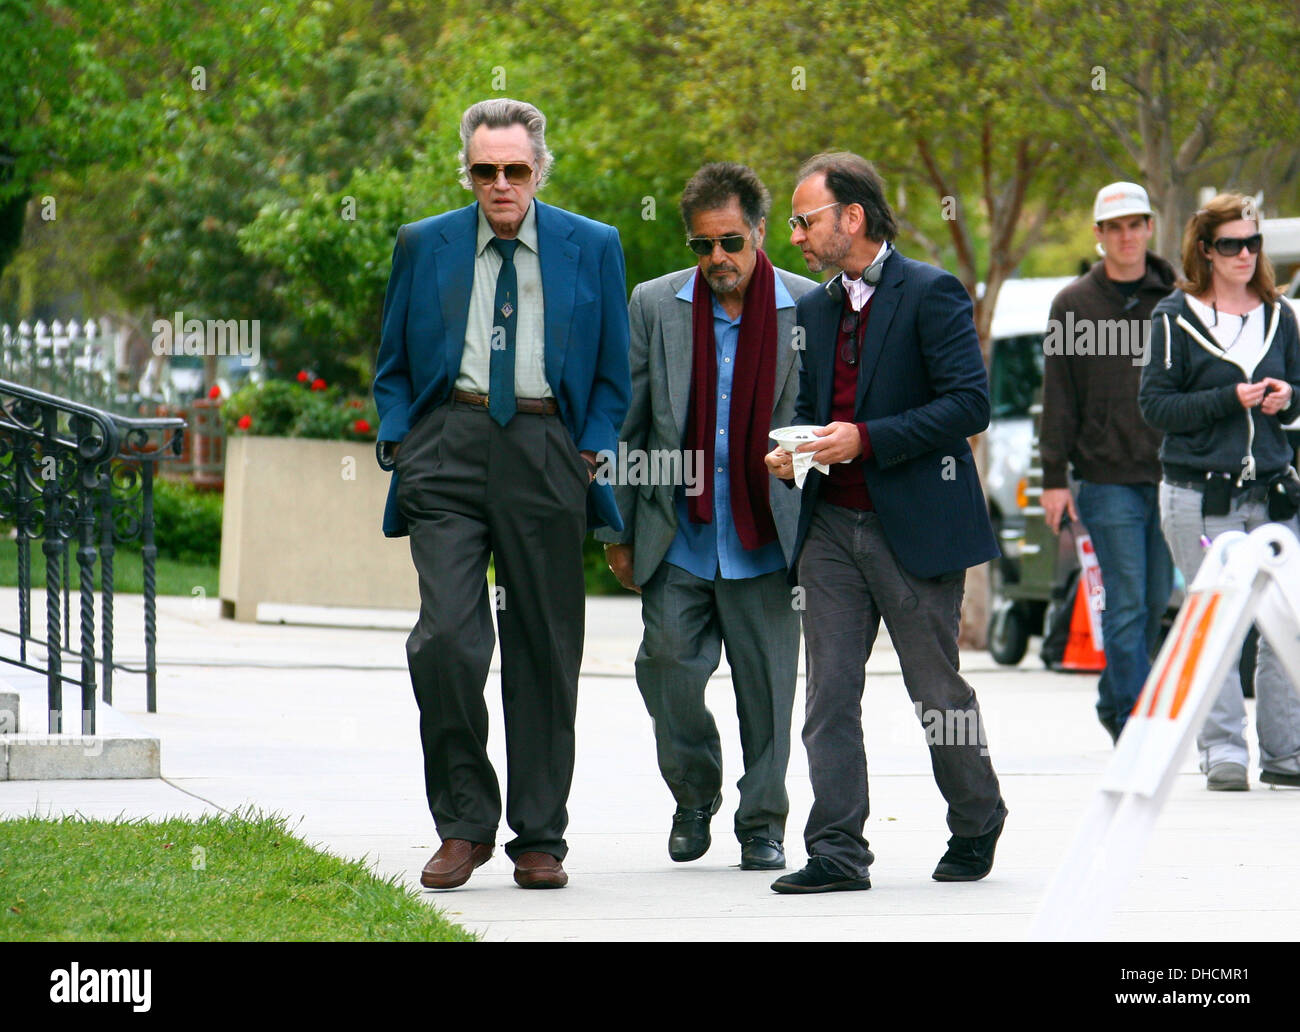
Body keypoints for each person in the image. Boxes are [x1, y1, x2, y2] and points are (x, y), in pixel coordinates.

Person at [372, 98, 630, 889]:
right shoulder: (425, 243)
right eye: (485, 171)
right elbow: (392, 365)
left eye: (515, 170)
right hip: (448, 446)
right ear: (469, 171)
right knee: (446, 640)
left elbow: (616, 373)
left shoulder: (594, 246)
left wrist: (588, 454)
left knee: (545, 649)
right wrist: (401, 444)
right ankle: (462, 825)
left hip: (548, 449)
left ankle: (539, 837)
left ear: (539, 169)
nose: (500, 184)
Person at [764, 151, 1008, 893]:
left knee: (937, 695)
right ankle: (837, 851)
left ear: (853, 218)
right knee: (828, 694)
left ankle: (977, 817)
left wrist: (865, 438)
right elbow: (810, 409)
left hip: (916, 530)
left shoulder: (932, 292)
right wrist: (796, 449)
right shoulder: (810, 309)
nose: (796, 237)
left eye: (806, 221)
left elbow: (970, 404)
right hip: (831, 529)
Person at [596, 163, 815, 871]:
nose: (715, 258)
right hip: (676, 533)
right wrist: (616, 530)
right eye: (701, 245)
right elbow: (626, 425)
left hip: (771, 538)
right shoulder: (654, 305)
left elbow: (829, 422)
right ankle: (694, 796)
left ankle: (762, 823)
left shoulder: (810, 306)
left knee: (770, 694)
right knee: (665, 671)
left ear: (758, 232)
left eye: (729, 242)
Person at [1139, 192, 1300, 792]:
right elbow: (1155, 406)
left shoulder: (1280, 314)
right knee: (1219, 626)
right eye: (1230, 243)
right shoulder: (1173, 316)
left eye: (1252, 242)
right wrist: (1228, 399)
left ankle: (1285, 752)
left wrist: (1289, 398)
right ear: (1205, 250)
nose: (1244, 254)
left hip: (1274, 491)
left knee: (1287, 619)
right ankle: (1223, 751)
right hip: (1199, 496)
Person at [1039, 182, 1177, 744]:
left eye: (1135, 224)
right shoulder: (1072, 304)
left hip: (1172, 476)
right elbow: (1059, 397)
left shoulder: (1177, 298)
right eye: (1114, 226)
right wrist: (1054, 480)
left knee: (1151, 605)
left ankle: (1112, 697)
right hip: (1103, 479)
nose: (1126, 235)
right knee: (1125, 603)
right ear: (1099, 235)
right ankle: (1137, 727)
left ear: (1149, 228)